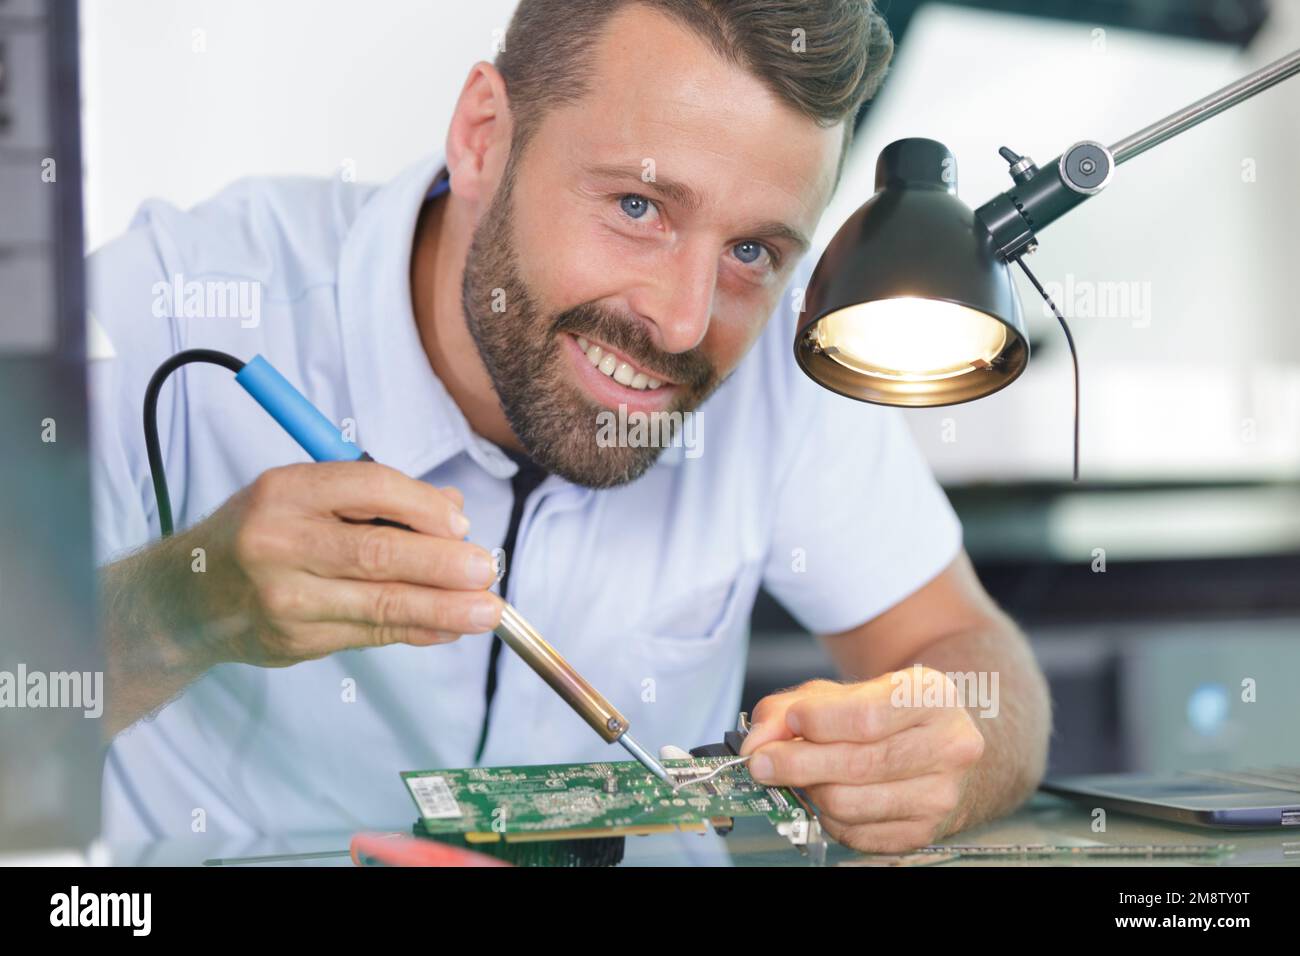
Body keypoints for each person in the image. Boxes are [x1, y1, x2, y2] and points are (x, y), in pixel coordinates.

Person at [91, 0, 1050, 852]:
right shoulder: (172, 303)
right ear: (482, 137)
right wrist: (183, 609)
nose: (682, 322)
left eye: (754, 249)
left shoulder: (789, 364)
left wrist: (940, 746)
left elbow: (973, 651)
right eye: (638, 206)